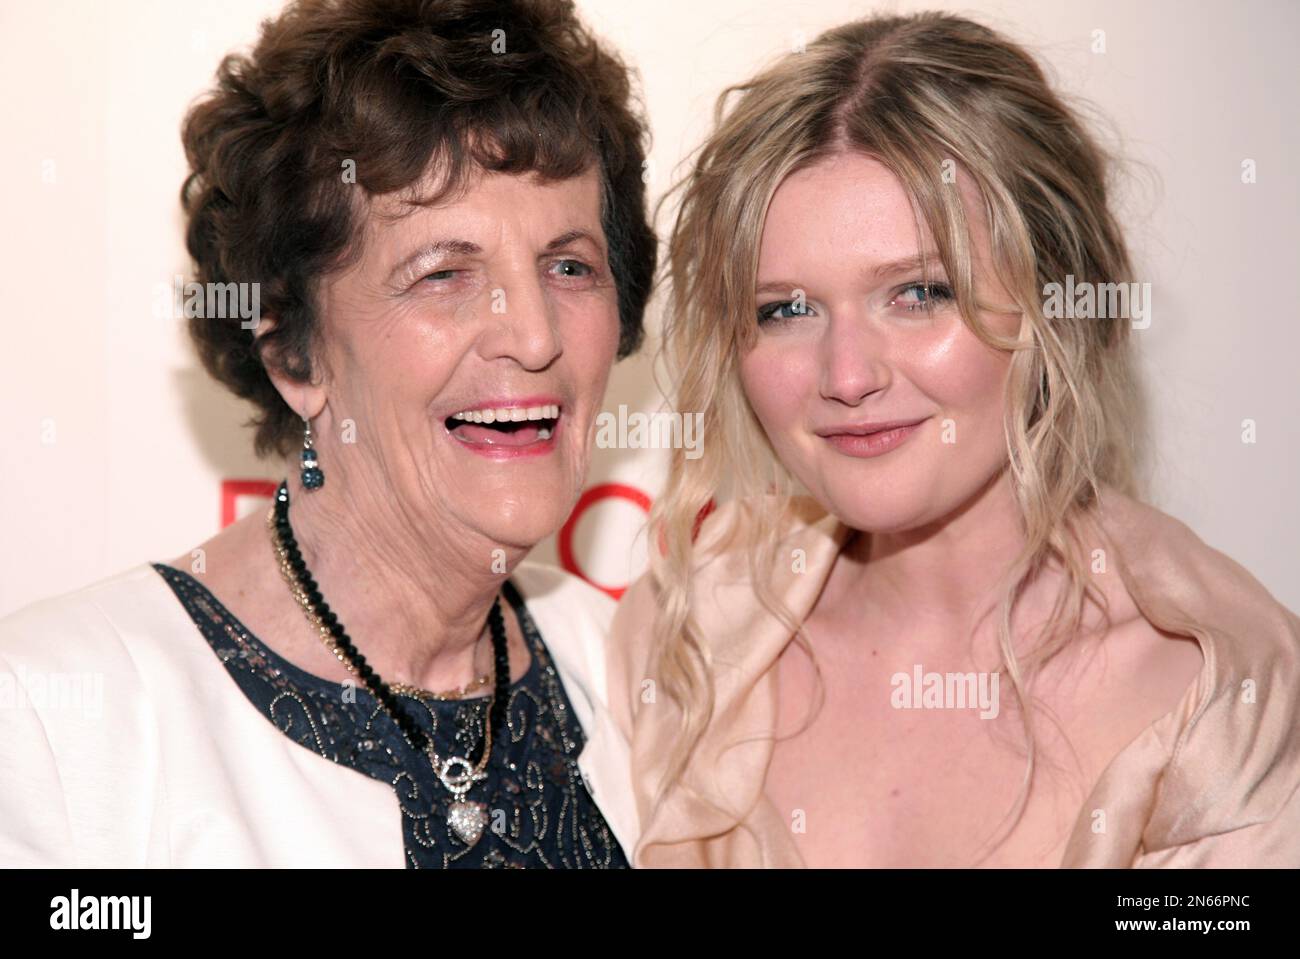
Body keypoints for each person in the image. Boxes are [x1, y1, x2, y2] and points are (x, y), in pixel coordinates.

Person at [609, 11, 1300, 867]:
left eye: (920, 293)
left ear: (1059, 300)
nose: (848, 375)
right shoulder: (682, 634)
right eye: (787, 308)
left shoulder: (1221, 694)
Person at [0, 0, 655, 868]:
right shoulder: (56, 720)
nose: (533, 336)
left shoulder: (629, 669)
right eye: (445, 274)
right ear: (293, 351)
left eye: (568, 265)